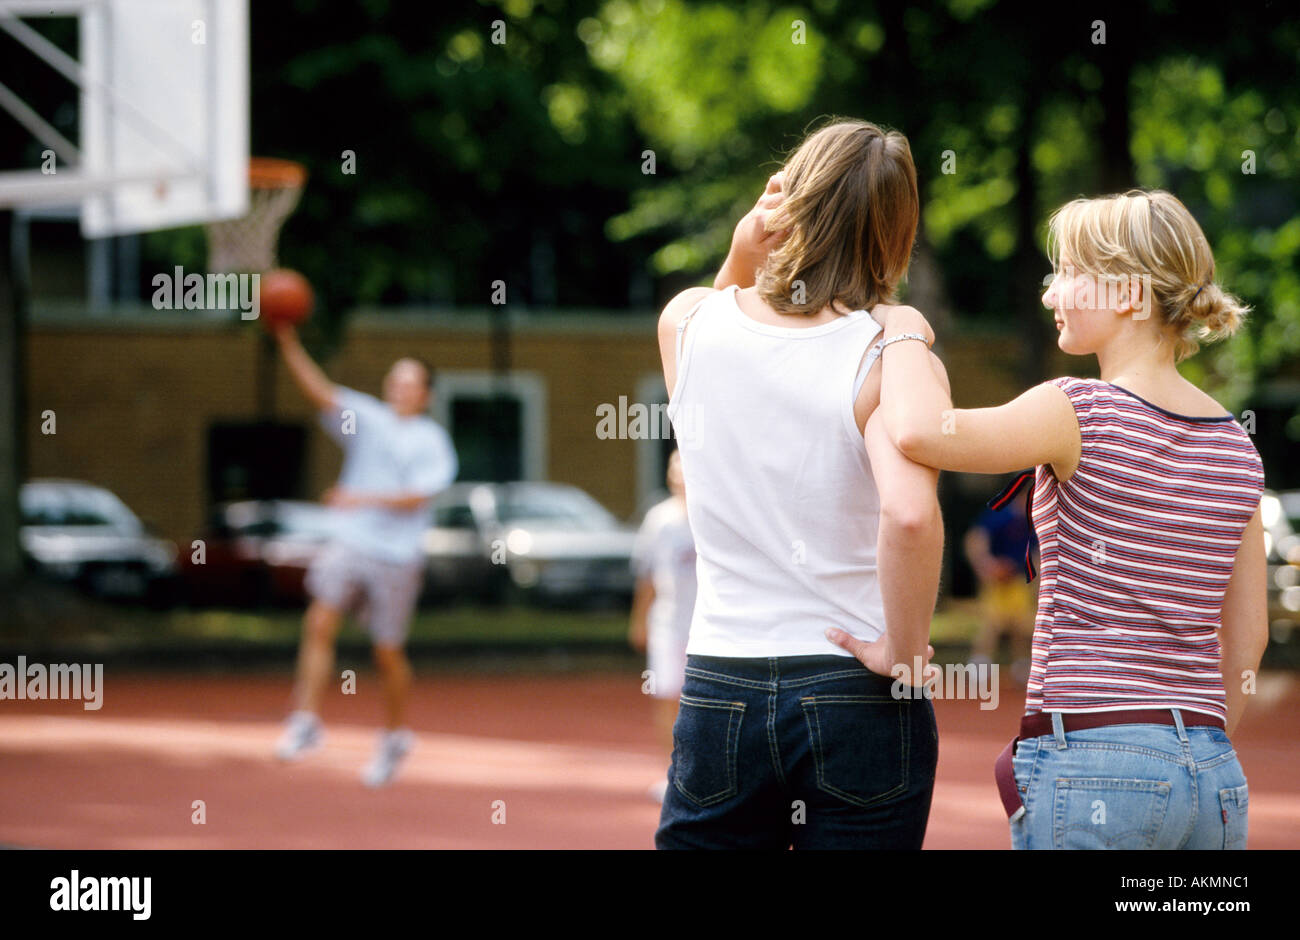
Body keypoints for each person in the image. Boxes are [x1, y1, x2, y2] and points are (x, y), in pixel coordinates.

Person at [847, 189, 1267, 849]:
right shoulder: (1236, 445)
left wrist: (902, 330)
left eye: (1069, 274)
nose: (1051, 295)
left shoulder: (1078, 409)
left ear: (1129, 295)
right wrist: (1187, 745)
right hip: (1212, 773)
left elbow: (922, 433)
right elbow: (1248, 638)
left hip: (1097, 760)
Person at [655, 119, 945, 850]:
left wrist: (739, 253)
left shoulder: (686, 321)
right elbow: (909, 516)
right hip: (856, 686)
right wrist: (905, 650)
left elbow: (724, 342)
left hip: (721, 682)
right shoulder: (891, 353)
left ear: (790, 199)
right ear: (896, 232)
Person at [270, 323, 458, 787]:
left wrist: (362, 498)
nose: (400, 388)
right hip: (350, 541)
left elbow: (419, 498)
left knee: (386, 652)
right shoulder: (367, 418)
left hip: (397, 555)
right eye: (395, 380)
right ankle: (306, 720)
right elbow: (320, 391)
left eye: (410, 382)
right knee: (319, 622)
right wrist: (288, 339)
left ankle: (395, 735)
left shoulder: (432, 441)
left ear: (426, 395)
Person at [628, 450, 696, 802]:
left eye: (684, 467)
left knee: (702, 702)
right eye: (673, 467)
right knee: (668, 698)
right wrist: (639, 620)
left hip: (707, 627)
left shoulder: (711, 514)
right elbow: (648, 575)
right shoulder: (659, 519)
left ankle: (703, 774)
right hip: (668, 624)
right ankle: (675, 773)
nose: (678, 475)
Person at [964, 497, 1036, 685]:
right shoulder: (999, 514)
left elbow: (1037, 553)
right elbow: (975, 539)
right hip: (996, 581)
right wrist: (986, 565)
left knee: (1021, 625)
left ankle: (1022, 665)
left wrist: (1037, 581)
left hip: (1019, 580)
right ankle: (979, 664)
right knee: (991, 624)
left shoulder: (1034, 518)